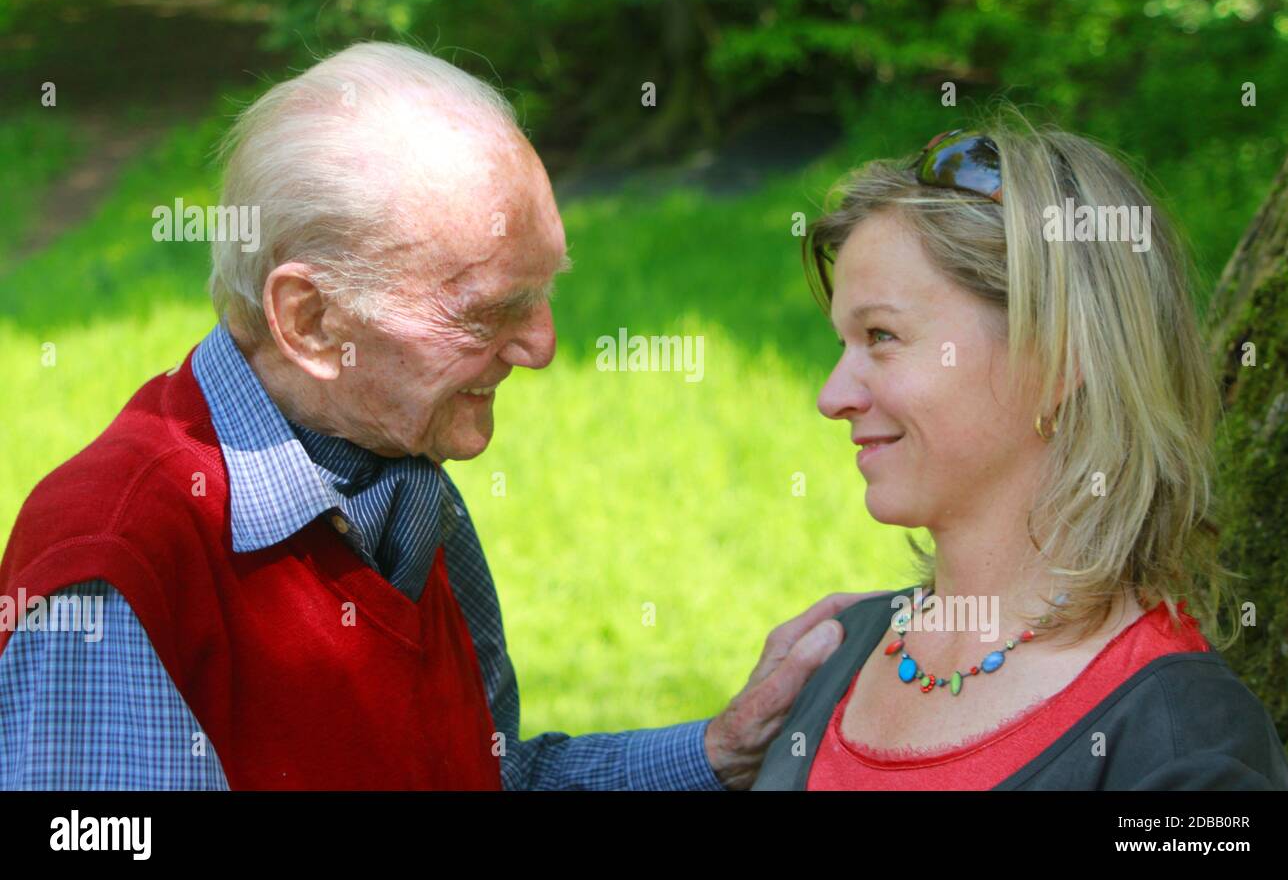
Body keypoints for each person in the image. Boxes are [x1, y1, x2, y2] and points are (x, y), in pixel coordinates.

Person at [0, 41, 871, 790]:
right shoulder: (116, 568)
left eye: (543, 294)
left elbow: (487, 779)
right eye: (489, 310)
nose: (542, 346)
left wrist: (719, 751)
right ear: (311, 321)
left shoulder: (392, 471)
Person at [753, 115, 1288, 790]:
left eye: (883, 336)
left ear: (1060, 355)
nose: (832, 397)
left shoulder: (1182, 742)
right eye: (843, 344)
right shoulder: (833, 653)